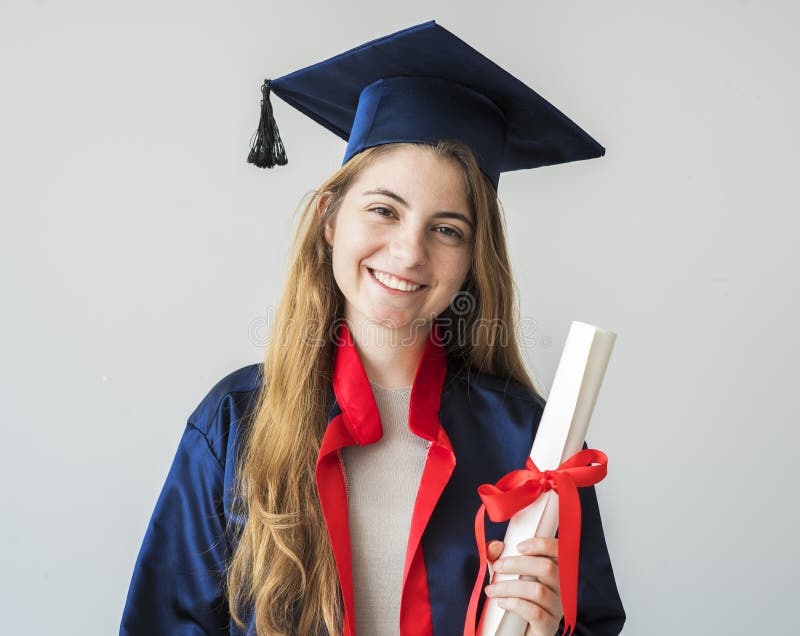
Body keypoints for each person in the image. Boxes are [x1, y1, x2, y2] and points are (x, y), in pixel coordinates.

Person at [119, 20, 625, 636]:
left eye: (447, 229)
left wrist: (552, 629)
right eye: (384, 209)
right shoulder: (236, 423)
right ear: (330, 220)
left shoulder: (532, 443)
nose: (409, 253)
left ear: (473, 257)